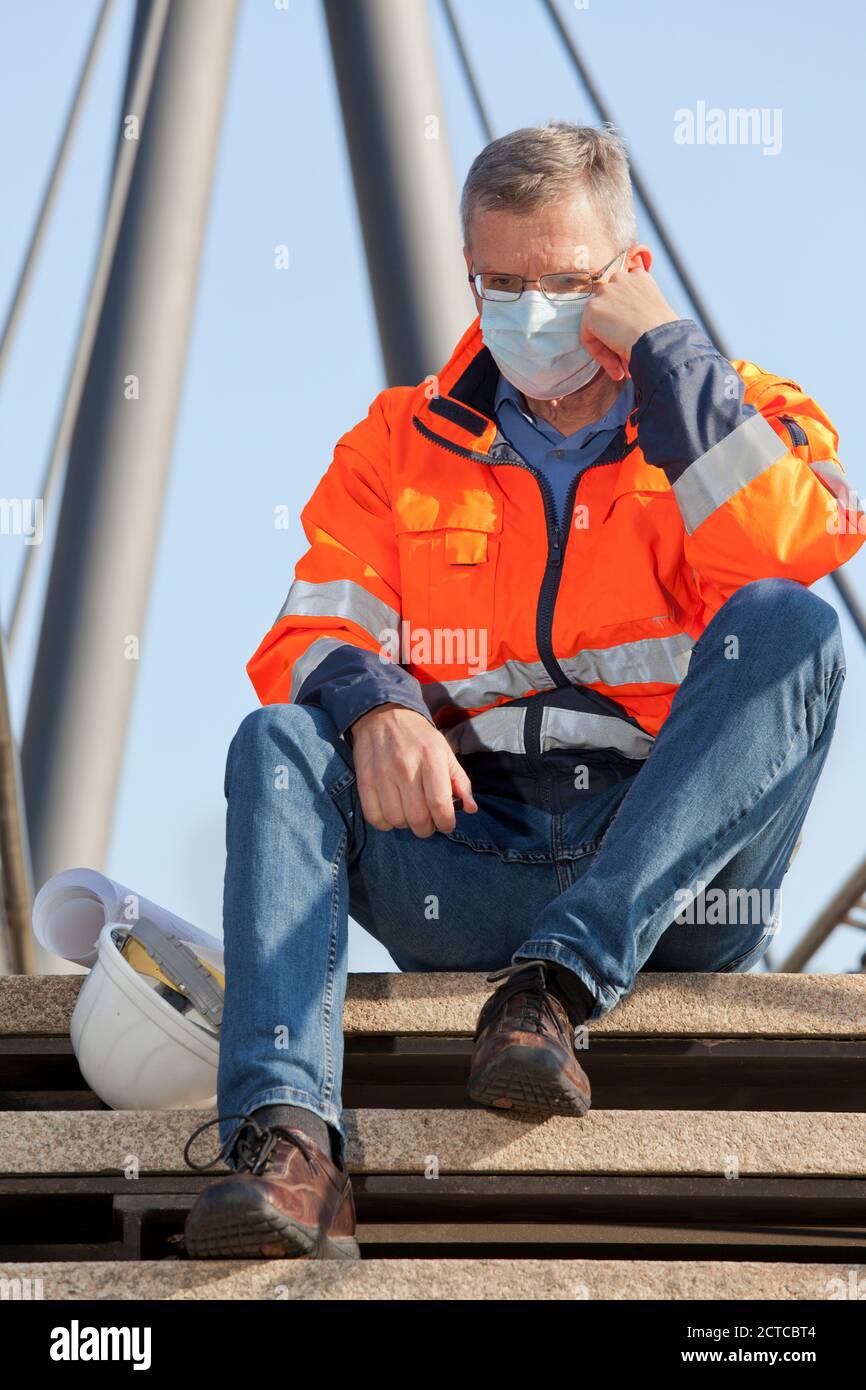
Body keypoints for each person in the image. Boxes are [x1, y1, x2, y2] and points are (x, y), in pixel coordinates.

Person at [184, 123, 863, 1260]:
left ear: (629, 275)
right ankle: (290, 1137)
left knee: (790, 627)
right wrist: (375, 704)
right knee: (275, 740)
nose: (529, 311)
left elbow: (778, 558)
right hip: (466, 847)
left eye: (562, 282)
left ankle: (556, 981)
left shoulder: (742, 410)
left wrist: (671, 364)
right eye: (501, 283)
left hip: (662, 884)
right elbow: (306, 631)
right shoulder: (396, 441)